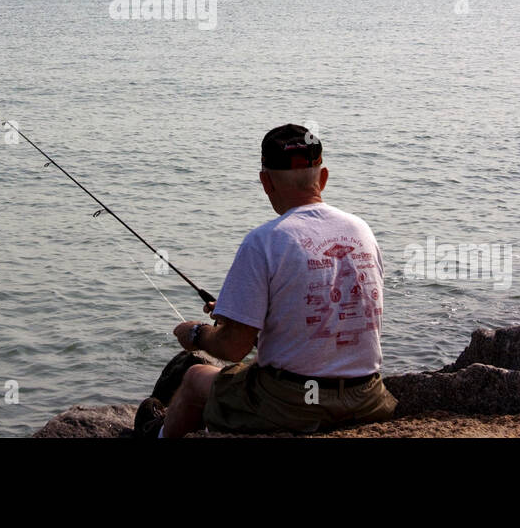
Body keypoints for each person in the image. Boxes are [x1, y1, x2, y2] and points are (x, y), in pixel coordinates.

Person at [159, 124, 397, 437]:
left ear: (266, 182)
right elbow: (335, 319)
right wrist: (252, 314)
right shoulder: (362, 231)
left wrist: (195, 333)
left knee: (193, 379)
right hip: (367, 396)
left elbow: (232, 349)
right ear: (323, 178)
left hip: (297, 404)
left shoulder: (265, 240)